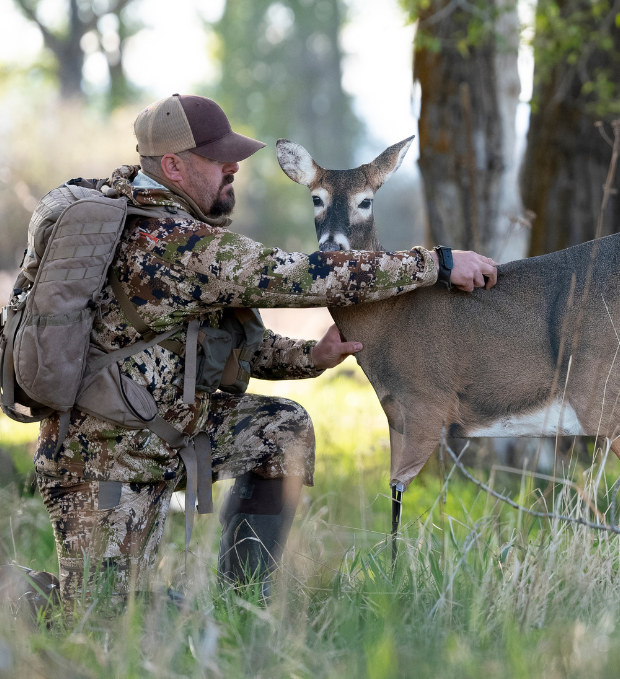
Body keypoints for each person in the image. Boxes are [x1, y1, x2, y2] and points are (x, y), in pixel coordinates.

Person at [27, 93, 498, 605]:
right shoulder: (172, 243)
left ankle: (242, 600)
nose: (234, 167)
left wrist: (310, 358)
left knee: (282, 428)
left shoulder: (183, 230)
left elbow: (219, 344)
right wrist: (437, 264)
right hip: (101, 461)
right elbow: (300, 276)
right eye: (217, 159)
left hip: (168, 433)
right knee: (102, 620)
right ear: (172, 167)